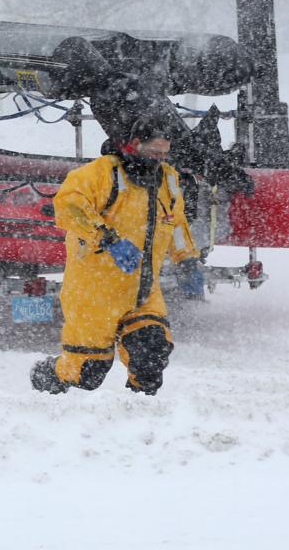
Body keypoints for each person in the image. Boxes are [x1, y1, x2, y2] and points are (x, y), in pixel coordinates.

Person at [31, 112, 203, 396]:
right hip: (95, 294)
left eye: (164, 154)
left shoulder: (168, 181)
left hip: (143, 291)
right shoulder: (98, 174)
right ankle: (47, 375)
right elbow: (69, 207)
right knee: (87, 373)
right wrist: (109, 240)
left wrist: (187, 258)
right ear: (135, 144)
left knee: (151, 355)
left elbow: (175, 222)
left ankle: (139, 412)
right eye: (153, 152)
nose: (159, 160)